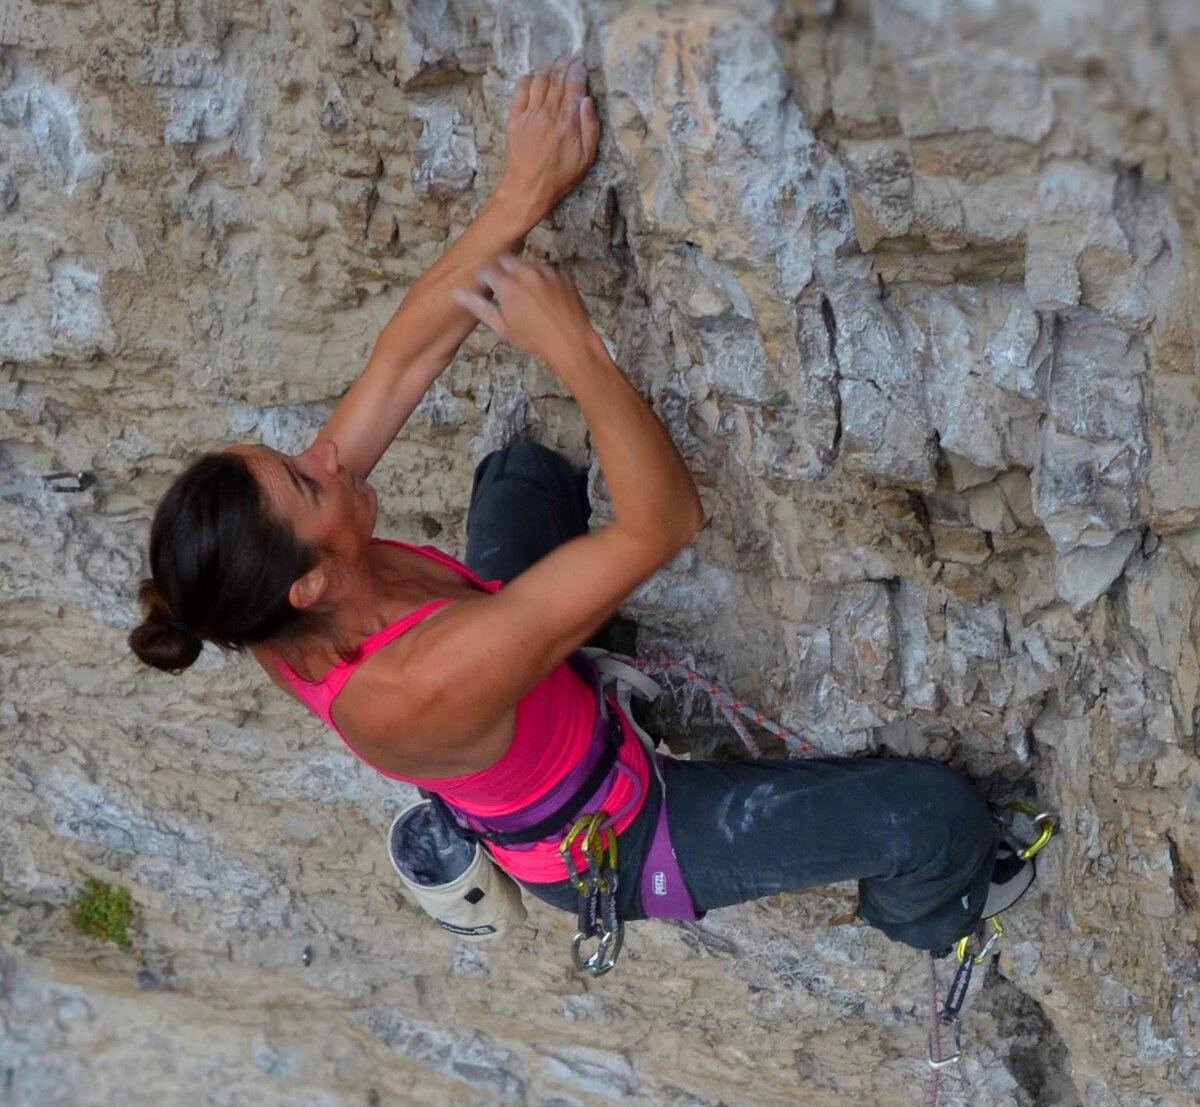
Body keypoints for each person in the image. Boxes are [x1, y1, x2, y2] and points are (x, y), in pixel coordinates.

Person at [131, 57, 1019, 959]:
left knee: (521, 475)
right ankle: (938, 914)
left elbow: (401, 363)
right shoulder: (413, 684)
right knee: (933, 816)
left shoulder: (265, 586)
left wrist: (522, 191)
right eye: (307, 481)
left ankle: (579, 627)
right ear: (311, 582)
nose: (326, 454)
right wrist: (574, 348)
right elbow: (664, 522)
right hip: (620, 832)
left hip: (518, 682)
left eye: (295, 459)